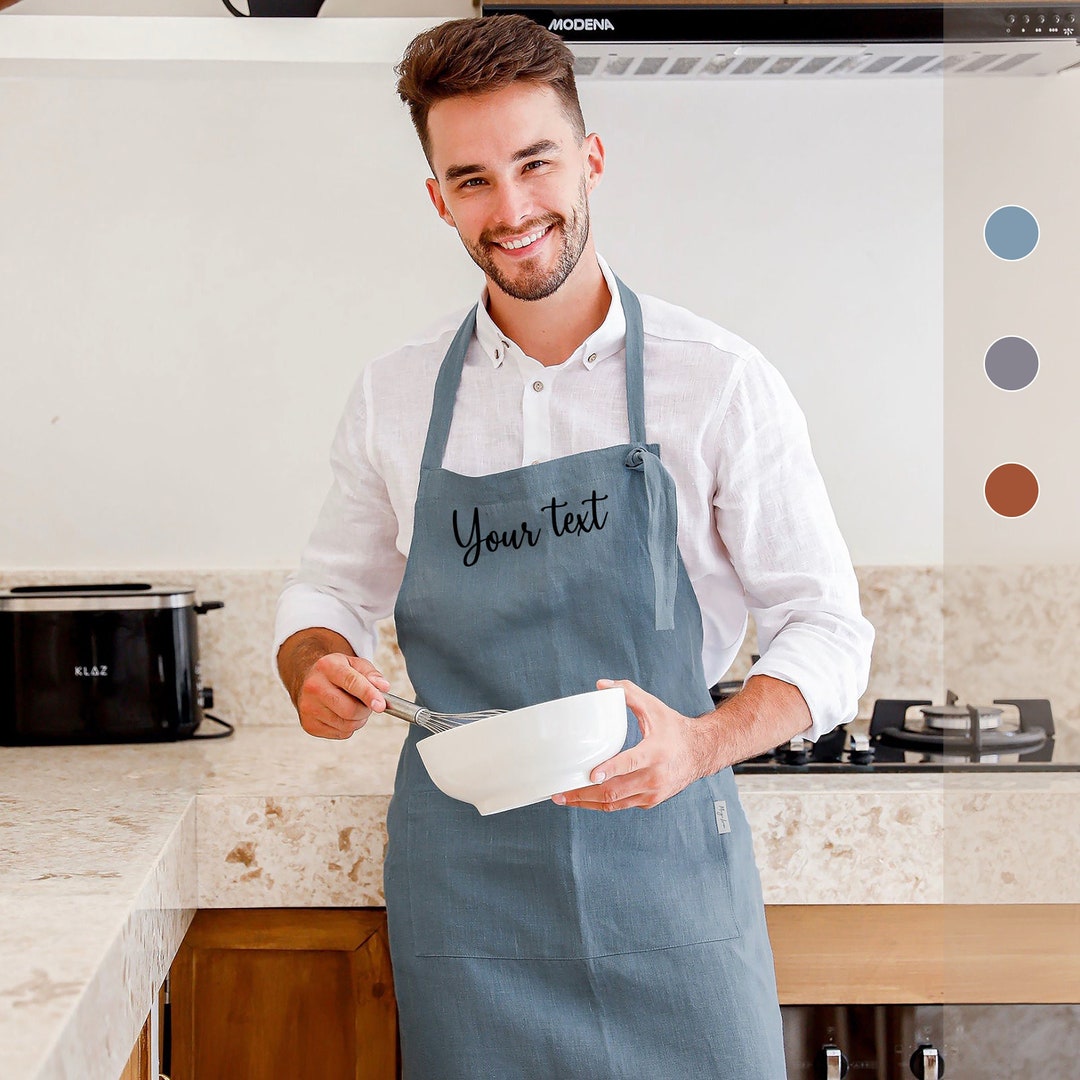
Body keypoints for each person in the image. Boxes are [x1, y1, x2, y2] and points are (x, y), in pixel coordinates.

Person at [275, 14, 873, 1079]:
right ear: (437, 199)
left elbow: (825, 626)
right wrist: (312, 664)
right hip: (470, 904)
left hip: (672, 883)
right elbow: (325, 591)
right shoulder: (396, 395)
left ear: (590, 159)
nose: (510, 211)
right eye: (470, 180)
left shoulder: (719, 381)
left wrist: (701, 743)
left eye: (535, 163)